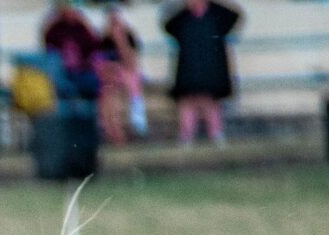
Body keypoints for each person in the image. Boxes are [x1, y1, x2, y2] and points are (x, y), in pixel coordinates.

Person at [165, 0, 241, 146]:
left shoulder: (216, 16)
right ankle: (186, 137)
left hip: (211, 70)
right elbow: (169, 26)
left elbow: (235, 16)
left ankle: (216, 135)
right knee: (187, 102)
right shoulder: (183, 19)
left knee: (210, 102)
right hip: (189, 70)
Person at [94, 2, 148, 144]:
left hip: (125, 78)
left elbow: (131, 63)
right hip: (109, 80)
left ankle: (135, 124)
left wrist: (121, 41)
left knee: (130, 80)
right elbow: (100, 64)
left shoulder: (128, 37)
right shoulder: (102, 41)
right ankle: (111, 130)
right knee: (108, 95)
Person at [41, 1, 103, 104]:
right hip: (62, 72)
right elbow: (46, 41)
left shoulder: (82, 28)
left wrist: (84, 21)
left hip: (83, 70)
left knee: (96, 80)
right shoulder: (56, 29)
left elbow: (96, 44)